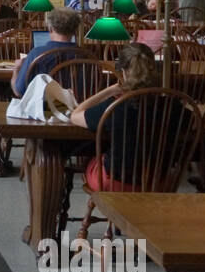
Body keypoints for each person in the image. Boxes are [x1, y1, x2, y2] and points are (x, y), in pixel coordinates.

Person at [70, 42, 175, 192]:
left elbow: (75, 116)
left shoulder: (114, 106)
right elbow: (191, 122)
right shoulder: (172, 106)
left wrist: (109, 91)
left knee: (89, 158)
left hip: (116, 182)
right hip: (159, 182)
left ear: (123, 72)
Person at [10, 8, 82, 97]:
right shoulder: (87, 56)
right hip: (78, 108)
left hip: (43, 109)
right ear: (75, 30)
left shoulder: (36, 54)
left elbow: (19, 92)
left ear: (50, 28)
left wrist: (16, 69)